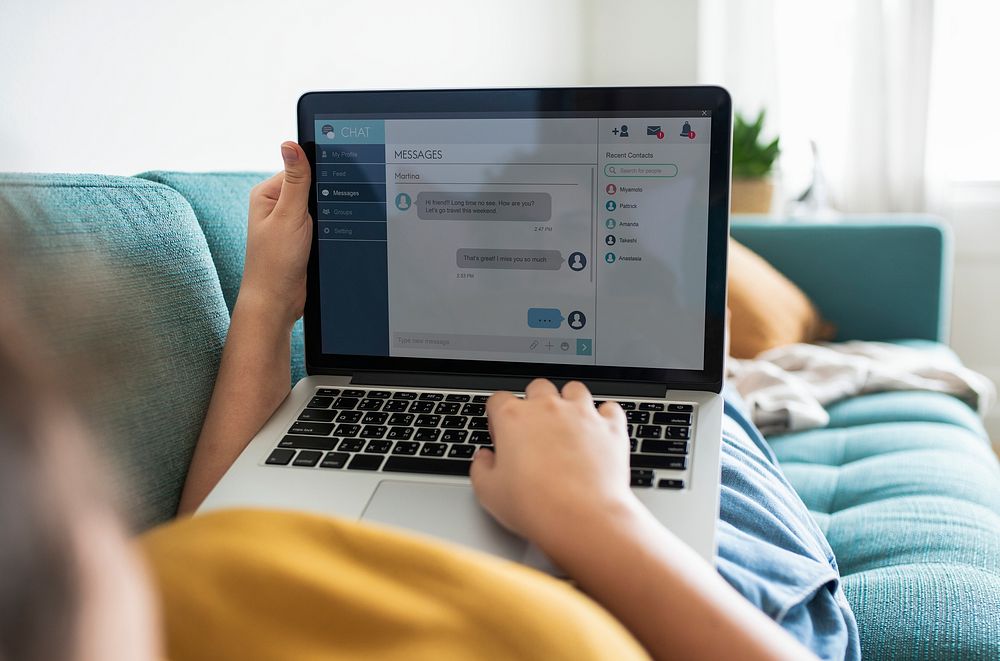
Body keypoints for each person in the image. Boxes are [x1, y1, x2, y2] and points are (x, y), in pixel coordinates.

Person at [0, 142, 819, 661]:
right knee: (681, 387)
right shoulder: (552, 641)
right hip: (685, 584)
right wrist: (593, 512)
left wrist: (264, 303)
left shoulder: (158, 598)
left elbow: (212, 536)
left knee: (679, 374)